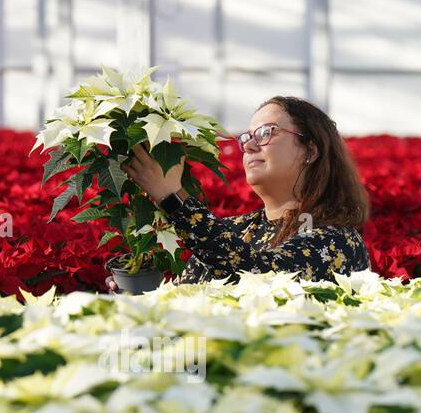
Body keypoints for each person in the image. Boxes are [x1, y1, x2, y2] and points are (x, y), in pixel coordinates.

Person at [121, 95, 371, 285]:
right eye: (246, 137)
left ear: (311, 151)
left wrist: (172, 197)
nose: (249, 145)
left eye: (265, 133)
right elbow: (186, 297)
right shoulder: (233, 231)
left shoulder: (338, 241)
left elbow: (258, 278)